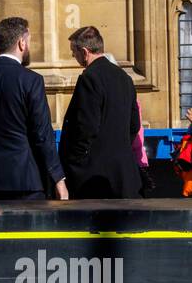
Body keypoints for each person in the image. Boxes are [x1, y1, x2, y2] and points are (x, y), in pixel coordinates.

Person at [0, 17, 67, 202]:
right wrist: (58, 178)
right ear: (21, 43)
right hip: (26, 178)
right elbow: (42, 134)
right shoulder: (31, 80)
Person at [59, 26, 141, 199]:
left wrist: (76, 161)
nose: (74, 57)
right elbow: (134, 124)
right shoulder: (125, 78)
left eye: (74, 52)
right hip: (123, 172)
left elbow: (86, 126)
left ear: (84, 51)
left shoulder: (90, 78)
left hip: (94, 174)